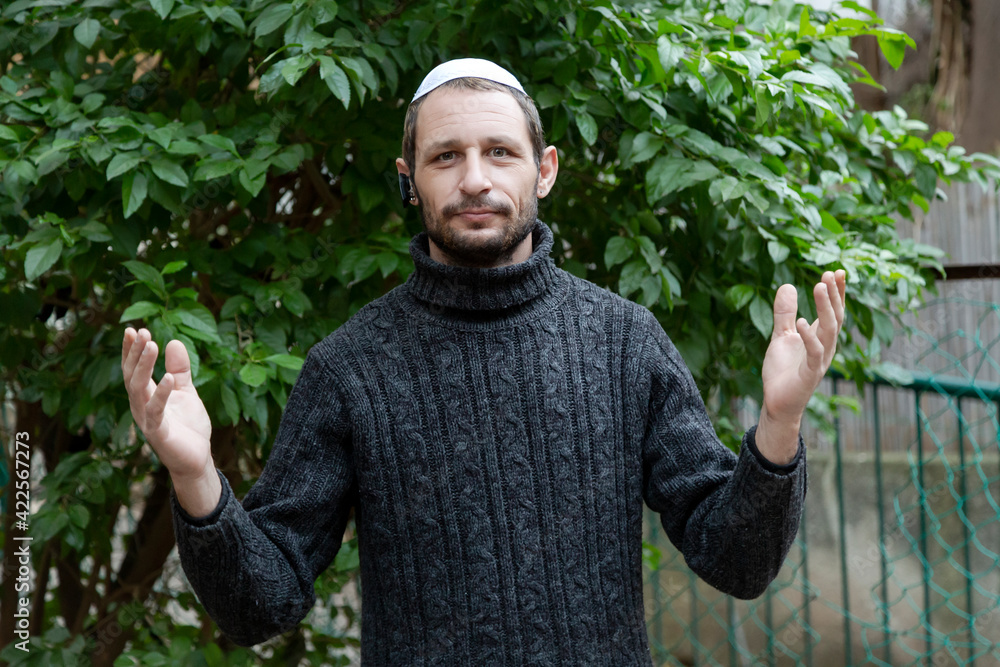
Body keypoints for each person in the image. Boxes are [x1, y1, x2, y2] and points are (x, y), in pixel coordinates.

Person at [121, 58, 846, 665]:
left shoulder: (625, 341)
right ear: (409, 177)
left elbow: (737, 561)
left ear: (544, 169)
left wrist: (779, 425)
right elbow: (260, 605)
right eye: (446, 156)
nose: (474, 179)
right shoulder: (350, 368)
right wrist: (195, 476)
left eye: (500, 151)